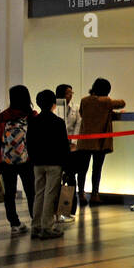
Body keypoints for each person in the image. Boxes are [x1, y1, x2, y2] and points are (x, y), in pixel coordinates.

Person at [76, 78, 127, 205]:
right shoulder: (106, 101)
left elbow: (82, 114)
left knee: (82, 169)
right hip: (100, 141)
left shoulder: (84, 100)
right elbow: (122, 103)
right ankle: (94, 195)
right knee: (96, 169)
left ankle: (81, 194)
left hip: (85, 140)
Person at [0, 85, 36, 233]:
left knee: (9, 193)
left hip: (6, 160)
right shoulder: (32, 115)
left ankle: (14, 223)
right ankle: (35, 220)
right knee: (31, 191)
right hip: (27, 159)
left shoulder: (2, 116)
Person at [27, 89, 69, 239]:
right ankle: (47, 226)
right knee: (50, 194)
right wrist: (66, 164)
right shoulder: (58, 122)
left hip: (38, 163)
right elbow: (64, 145)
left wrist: (33, 159)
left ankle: (36, 226)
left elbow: (29, 143)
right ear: (54, 104)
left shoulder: (33, 122)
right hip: (54, 163)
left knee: (38, 194)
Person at [55, 83, 80, 220]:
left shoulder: (75, 108)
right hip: (58, 148)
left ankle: (68, 208)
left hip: (71, 147)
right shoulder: (56, 108)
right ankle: (56, 210)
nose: (70, 95)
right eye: (67, 93)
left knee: (71, 178)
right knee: (57, 178)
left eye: (71, 93)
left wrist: (74, 143)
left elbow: (78, 125)